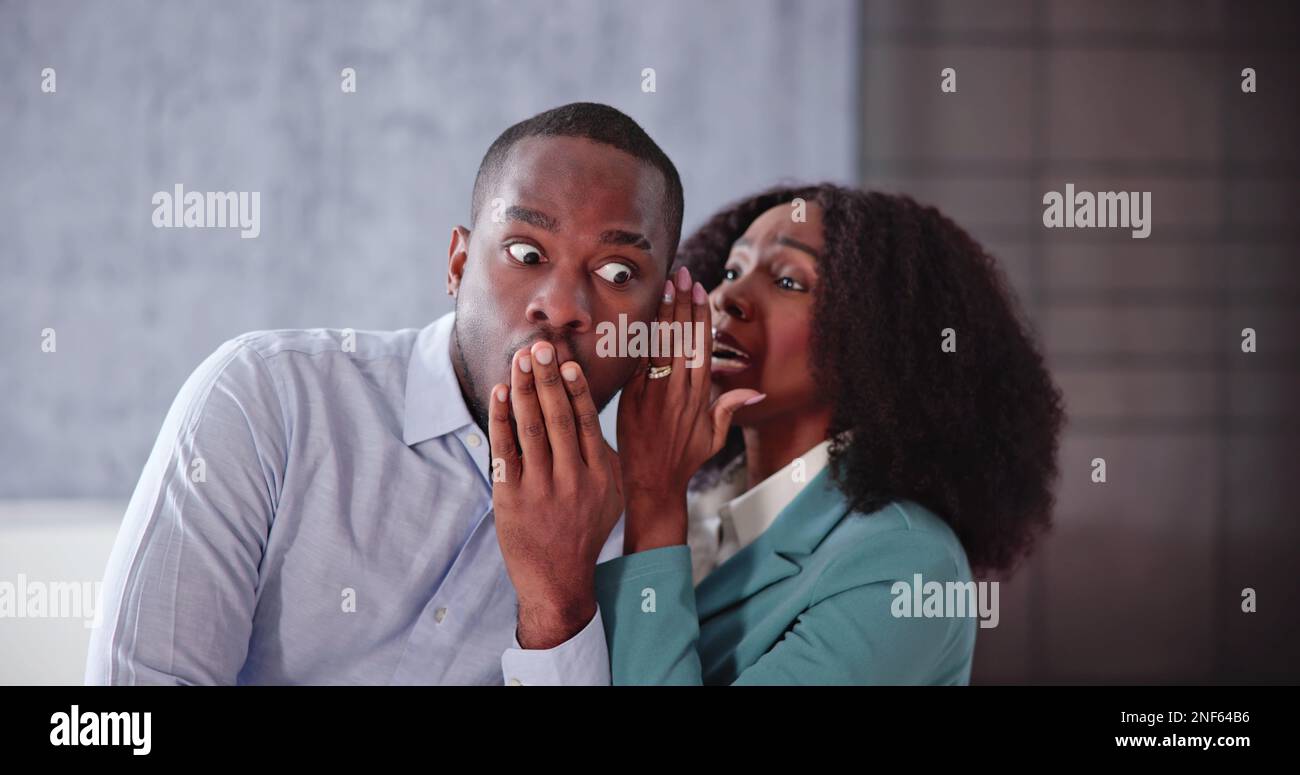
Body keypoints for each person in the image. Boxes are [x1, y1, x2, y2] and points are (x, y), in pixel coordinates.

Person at [85, 102, 682, 685]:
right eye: (526, 253)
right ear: (458, 262)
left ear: (658, 322)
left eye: (618, 274)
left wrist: (558, 599)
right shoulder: (267, 401)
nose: (560, 306)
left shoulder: (641, 548)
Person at [570, 184, 1065, 684]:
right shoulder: (690, 510)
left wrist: (654, 499)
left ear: (879, 337)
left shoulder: (908, 565)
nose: (729, 299)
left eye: (787, 281)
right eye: (730, 271)